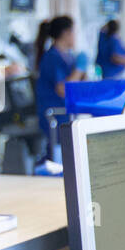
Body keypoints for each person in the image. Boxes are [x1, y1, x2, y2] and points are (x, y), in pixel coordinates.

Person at [34, 16, 87, 157]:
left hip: (66, 114)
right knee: (58, 159)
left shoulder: (68, 56)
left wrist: (83, 72)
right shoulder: (52, 57)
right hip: (55, 116)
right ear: (66, 33)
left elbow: (77, 86)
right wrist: (79, 69)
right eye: (74, 32)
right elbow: (62, 90)